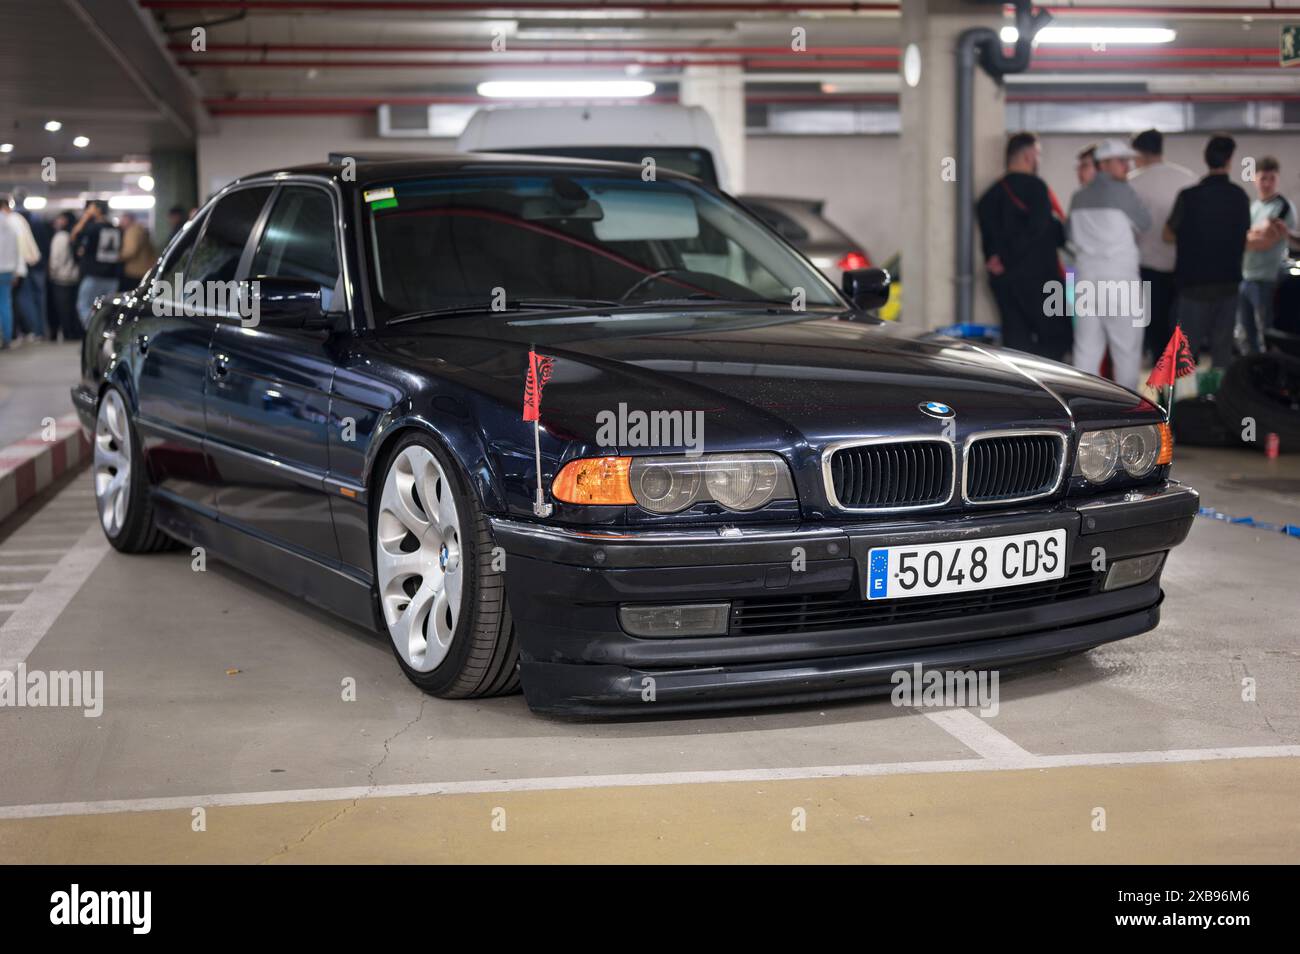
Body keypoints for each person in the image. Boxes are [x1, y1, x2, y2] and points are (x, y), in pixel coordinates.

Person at [976, 131, 1069, 360]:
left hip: (1003, 281)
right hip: (1040, 280)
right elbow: (1038, 229)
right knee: (1059, 338)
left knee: (1016, 347)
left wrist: (998, 260)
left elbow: (988, 241)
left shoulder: (988, 197)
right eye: (1038, 154)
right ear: (1028, 156)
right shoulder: (1036, 188)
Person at [1067, 139, 1151, 392]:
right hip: (1120, 281)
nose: (1128, 165)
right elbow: (1146, 223)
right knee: (1126, 352)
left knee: (1086, 352)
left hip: (1086, 281)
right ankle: (1126, 417)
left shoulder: (1078, 197)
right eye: (1121, 160)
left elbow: (1069, 236)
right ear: (1103, 164)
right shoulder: (1124, 192)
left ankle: (1085, 410)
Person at [1165, 134, 1251, 371]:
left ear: (1206, 160)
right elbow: (1244, 235)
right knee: (1222, 350)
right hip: (1228, 284)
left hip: (1193, 285)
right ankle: (1218, 402)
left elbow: (1167, 234)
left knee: (1184, 354)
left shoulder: (1188, 197)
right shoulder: (1239, 197)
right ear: (1230, 161)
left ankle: (1181, 405)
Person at [1128, 128, 1195, 360]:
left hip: (1147, 269)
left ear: (1138, 152)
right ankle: (1181, 386)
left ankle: (1159, 388)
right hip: (1184, 269)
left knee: (1155, 332)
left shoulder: (1132, 183)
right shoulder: (1188, 178)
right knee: (1182, 333)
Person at [1238, 155, 1296, 354]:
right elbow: (1245, 236)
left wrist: (1247, 237)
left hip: (1267, 278)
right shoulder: (1254, 207)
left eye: (1272, 178)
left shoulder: (1282, 206)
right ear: (1255, 179)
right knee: (1246, 333)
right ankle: (1252, 375)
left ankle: (1271, 376)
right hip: (1247, 276)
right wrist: (1252, 235)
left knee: (1266, 333)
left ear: (1277, 179)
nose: (1267, 183)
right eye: (1263, 178)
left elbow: (1265, 241)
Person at [70, 200, 122, 327]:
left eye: (91, 208)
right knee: (107, 309)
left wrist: (85, 218)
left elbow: (74, 237)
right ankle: (106, 333)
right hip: (112, 275)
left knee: (84, 305)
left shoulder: (92, 228)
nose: (87, 210)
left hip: (94, 275)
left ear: (97, 210)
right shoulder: (116, 229)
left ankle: (93, 332)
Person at [14, 191, 52, 342]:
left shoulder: (16, 220)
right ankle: (41, 330)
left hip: (27, 264)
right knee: (39, 300)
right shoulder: (37, 220)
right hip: (39, 265)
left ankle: (34, 330)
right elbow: (46, 244)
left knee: (26, 299)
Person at [47, 212, 82, 341]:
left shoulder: (60, 236)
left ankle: (68, 333)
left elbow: (56, 258)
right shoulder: (75, 235)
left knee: (63, 308)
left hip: (61, 277)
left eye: (59, 219)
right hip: (75, 277)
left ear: (65, 221)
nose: (56, 221)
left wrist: (52, 273)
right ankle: (75, 332)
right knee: (73, 307)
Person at [117, 212, 157, 292]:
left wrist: (116, 257)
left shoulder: (132, 232)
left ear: (128, 220)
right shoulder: (141, 229)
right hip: (145, 269)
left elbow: (130, 251)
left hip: (134, 271)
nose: (121, 223)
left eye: (122, 220)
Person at [0, 197, 19, 349]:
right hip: (7, 270)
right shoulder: (12, 225)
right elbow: (16, 251)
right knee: (5, 304)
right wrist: (16, 271)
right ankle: (6, 338)